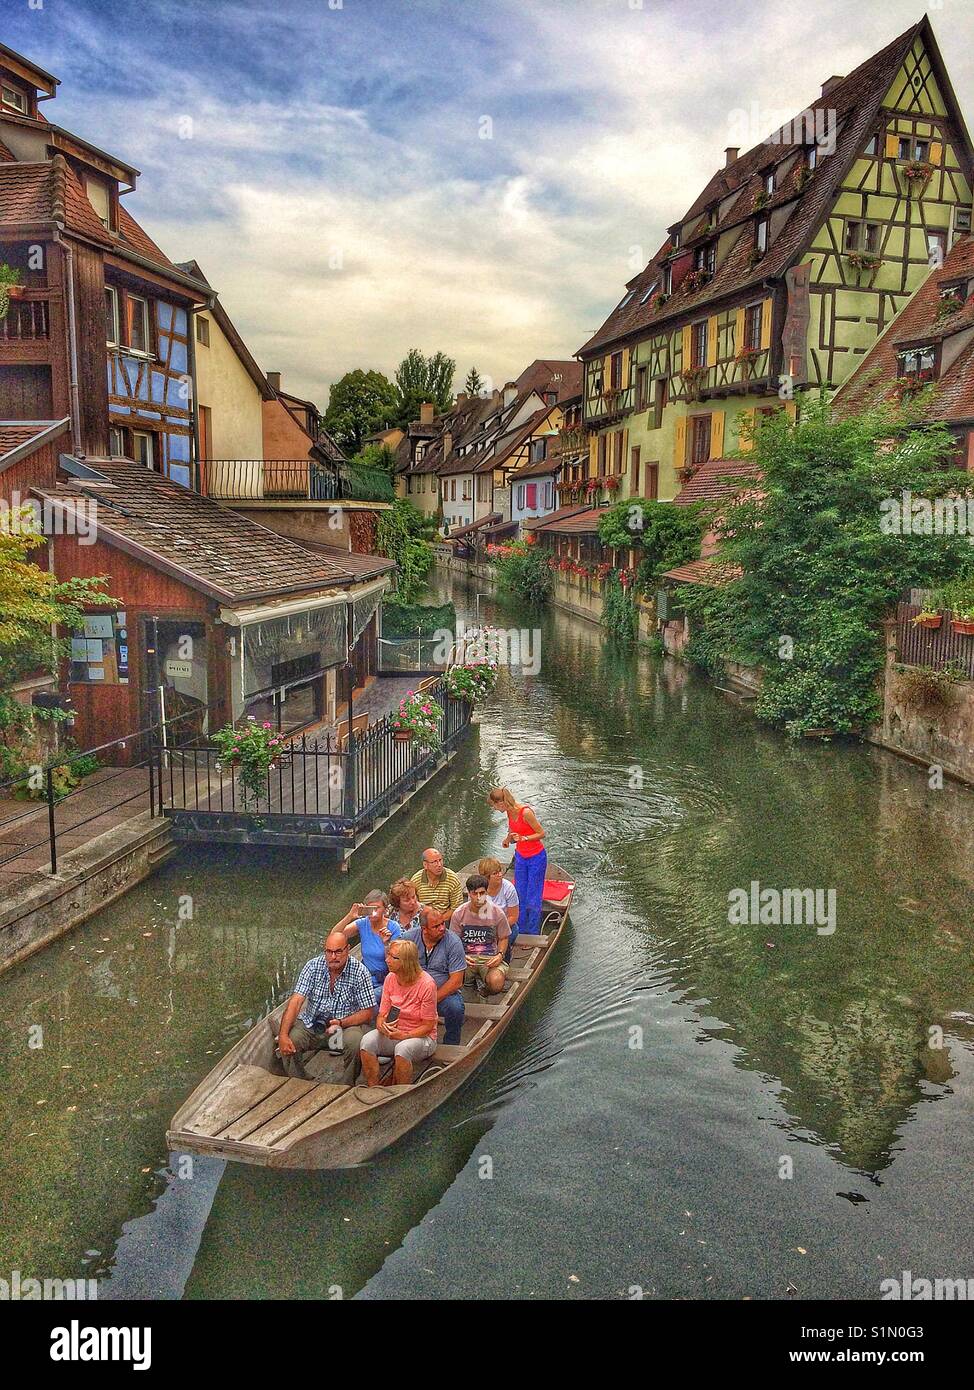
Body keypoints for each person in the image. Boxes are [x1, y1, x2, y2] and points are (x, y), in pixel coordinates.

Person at [277, 931, 376, 1086]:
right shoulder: (312, 966)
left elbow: (367, 1012)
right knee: (291, 1040)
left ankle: (346, 1084)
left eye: (338, 951)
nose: (333, 957)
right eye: (329, 952)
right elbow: (296, 1002)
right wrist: (282, 1035)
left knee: (356, 1042)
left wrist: (341, 1022)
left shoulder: (360, 972)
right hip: (313, 1024)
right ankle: (298, 1082)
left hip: (344, 1025)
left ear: (348, 949)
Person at [359, 939, 439, 1086]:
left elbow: (428, 1026)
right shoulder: (390, 978)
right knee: (367, 1041)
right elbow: (382, 1015)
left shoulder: (427, 984)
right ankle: (373, 1087)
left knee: (403, 1049)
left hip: (421, 1037)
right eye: (388, 955)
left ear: (407, 962)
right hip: (395, 1033)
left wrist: (405, 1035)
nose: (387, 960)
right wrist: (381, 1025)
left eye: (393, 957)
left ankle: (401, 1090)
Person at [488, 787, 547, 935]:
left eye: (494, 805)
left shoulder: (525, 812)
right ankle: (519, 928)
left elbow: (541, 833)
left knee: (533, 895)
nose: (494, 809)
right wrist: (508, 839)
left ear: (501, 803)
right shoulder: (509, 812)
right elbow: (512, 829)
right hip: (521, 856)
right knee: (519, 893)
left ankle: (532, 932)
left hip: (536, 857)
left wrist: (524, 838)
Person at [402, 911, 467, 1045]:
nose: (442, 928)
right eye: (436, 926)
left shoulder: (453, 942)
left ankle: (451, 1045)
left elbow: (456, 981)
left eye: (443, 923)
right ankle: (393, 1037)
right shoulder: (408, 938)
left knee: (455, 1008)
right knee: (380, 997)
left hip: (441, 994)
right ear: (424, 929)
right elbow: (398, 966)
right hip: (411, 991)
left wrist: (430, 1000)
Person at [451, 873, 510, 995]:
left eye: (482, 893)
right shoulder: (458, 914)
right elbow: (453, 941)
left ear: (486, 892)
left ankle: (484, 990)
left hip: (489, 959)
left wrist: (500, 955)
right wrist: (461, 956)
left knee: (496, 982)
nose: (479, 897)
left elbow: (503, 938)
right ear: (469, 893)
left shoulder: (497, 913)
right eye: (475, 894)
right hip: (466, 959)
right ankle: (468, 985)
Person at [336, 890, 401, 1000]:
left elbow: (395, 964)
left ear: (385, 909)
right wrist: (350, 916)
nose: (373, 912)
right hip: (365, 977)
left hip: (386, 980)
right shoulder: (363, 923)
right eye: (370, 909)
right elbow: (335, 935)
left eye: (377, 908)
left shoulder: (393, 928)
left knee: (367, 999)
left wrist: (386, 944)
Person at [479, 855, 520, 962]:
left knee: (502, 940)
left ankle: (505, 960)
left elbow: (513, 917)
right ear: (486, 877)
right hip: (484, 926)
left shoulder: (508, 888)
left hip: (507, 925)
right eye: (495, 873)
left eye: (500, 871)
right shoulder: (478, 890)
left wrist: (497, 930)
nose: (500, 875)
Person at [411, 848, 463, 928]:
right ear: (425, 865)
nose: (439, 865)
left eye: (440, 860)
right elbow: (413, 905)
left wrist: (438, 921)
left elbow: (456, 908)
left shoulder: (452, 879)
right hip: (423, 920)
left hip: (444, 920)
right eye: (434, 862)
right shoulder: (416, 880)